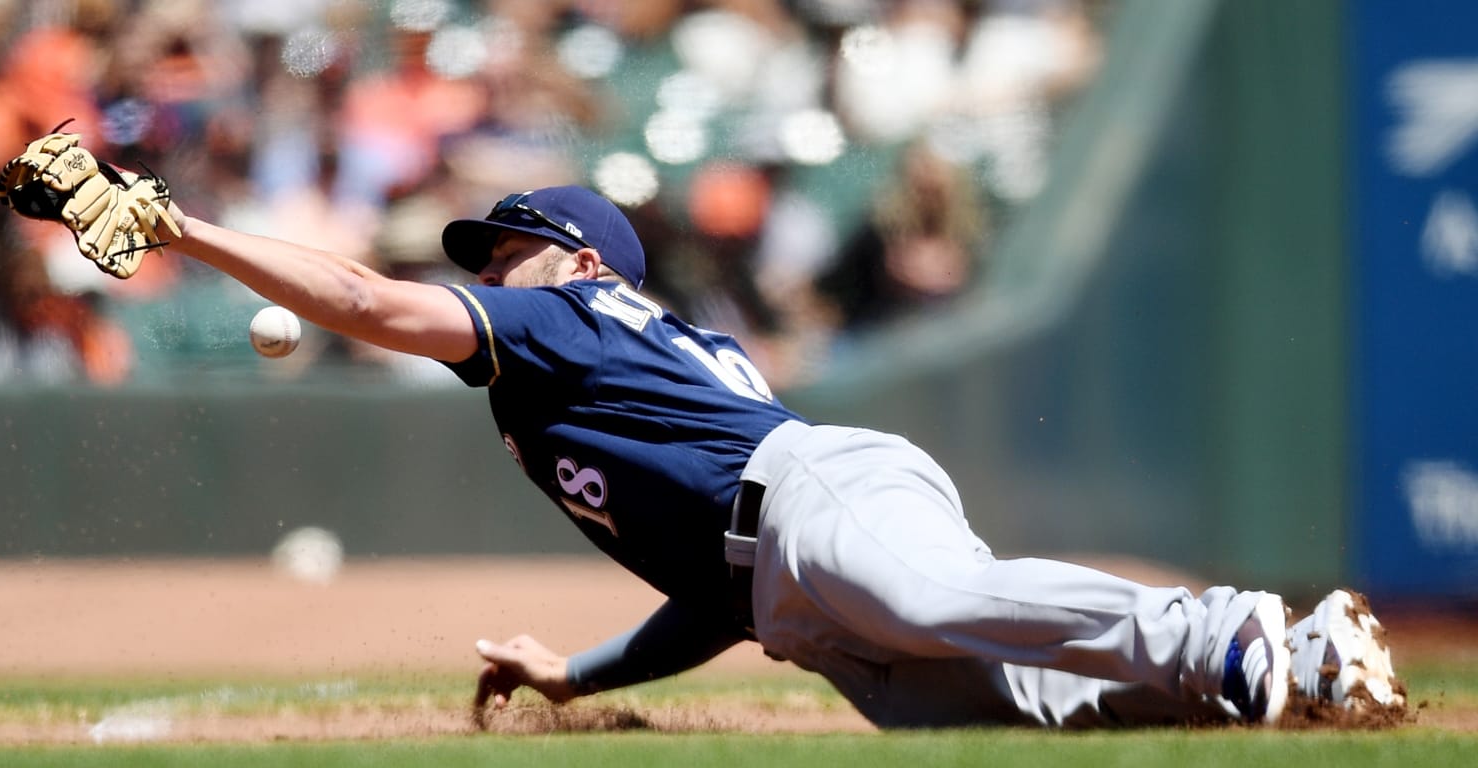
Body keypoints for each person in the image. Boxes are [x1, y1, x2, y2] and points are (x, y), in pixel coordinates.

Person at [136, 184, 1392, 728]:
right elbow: (721, 597)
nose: (488, 268)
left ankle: (1231, 631)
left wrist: (178, 225)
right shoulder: (567, 377)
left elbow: (363, 299)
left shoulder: (567, 315)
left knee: (938, 599)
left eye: (506, 247)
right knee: (1011, 714)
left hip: (811, 493)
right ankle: (1274, 686)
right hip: (788, 572)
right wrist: (578, 677)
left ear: (576, 263)